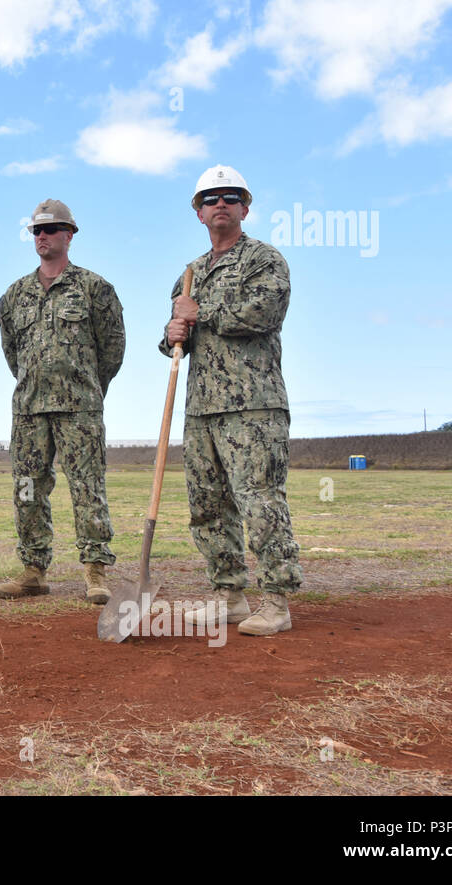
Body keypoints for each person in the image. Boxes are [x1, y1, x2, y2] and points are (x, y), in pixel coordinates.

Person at [163, 164, 301, 636]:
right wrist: (172, 331)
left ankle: (276, 601)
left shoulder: (264, 259)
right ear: (198, 213)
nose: (219, 204)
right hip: (201, 409)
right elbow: (178, 338)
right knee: (207, 505)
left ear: (245, 208)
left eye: (229, 197)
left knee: (260, 502)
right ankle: (229, 595)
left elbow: (263, 313)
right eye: (210, 199)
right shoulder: (190, 274)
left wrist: (199, 313)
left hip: (253, 406)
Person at [0, 199, 125, 602]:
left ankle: (95, 570)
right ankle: (33, 569)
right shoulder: (14, 295)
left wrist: (87, 387)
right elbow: (12, 352)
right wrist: (34, 382)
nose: (43, 236)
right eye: (37, 230)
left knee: (88, 487)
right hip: (29, 409)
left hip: (79, 408)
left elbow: (112, 349)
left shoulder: (94, 288)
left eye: (51, 229)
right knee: (27, 489)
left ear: (69, 235)